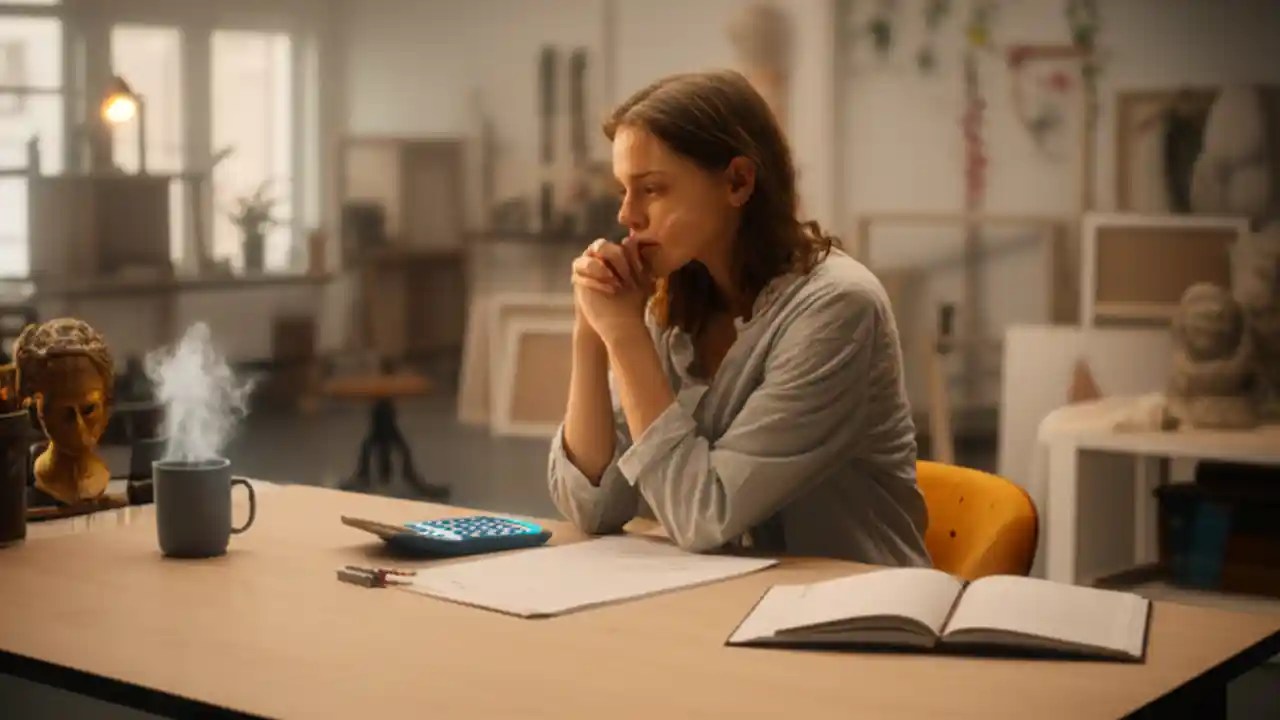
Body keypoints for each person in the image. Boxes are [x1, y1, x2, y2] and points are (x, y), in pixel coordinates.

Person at [546, 70, 930, 566]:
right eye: (624, 190)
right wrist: (590, 327)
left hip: (857, 614)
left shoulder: (839, 307)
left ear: (737, 182)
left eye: (652, 189)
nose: (627, 215)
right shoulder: (675, 300)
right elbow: (593, 505)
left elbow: (705, 515)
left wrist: (623, 335)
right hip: (729, 601)